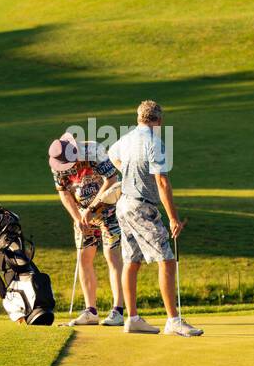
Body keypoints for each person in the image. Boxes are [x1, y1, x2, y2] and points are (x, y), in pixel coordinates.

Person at [102, 101, 203, 337]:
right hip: (141, 207)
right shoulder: (155, 142)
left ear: (139, 118)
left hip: (123, 205)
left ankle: (133, 318)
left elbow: (111, 154)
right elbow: (162, 182)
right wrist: (173, 218)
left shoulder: (126, 138)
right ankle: (173, 321)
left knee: (132, 261)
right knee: (166, 259)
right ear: (159, 120)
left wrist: (128, 171)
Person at [48, 132, 125, 326]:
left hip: (109, 208)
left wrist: (93, 208)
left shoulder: (94, 150)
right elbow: (64, 193)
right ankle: (91, 311)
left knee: (112, 255)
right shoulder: (56, 162)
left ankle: (118, 310)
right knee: (84, 258)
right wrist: (78, 218)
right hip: (82, 214)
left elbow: (112, 179)